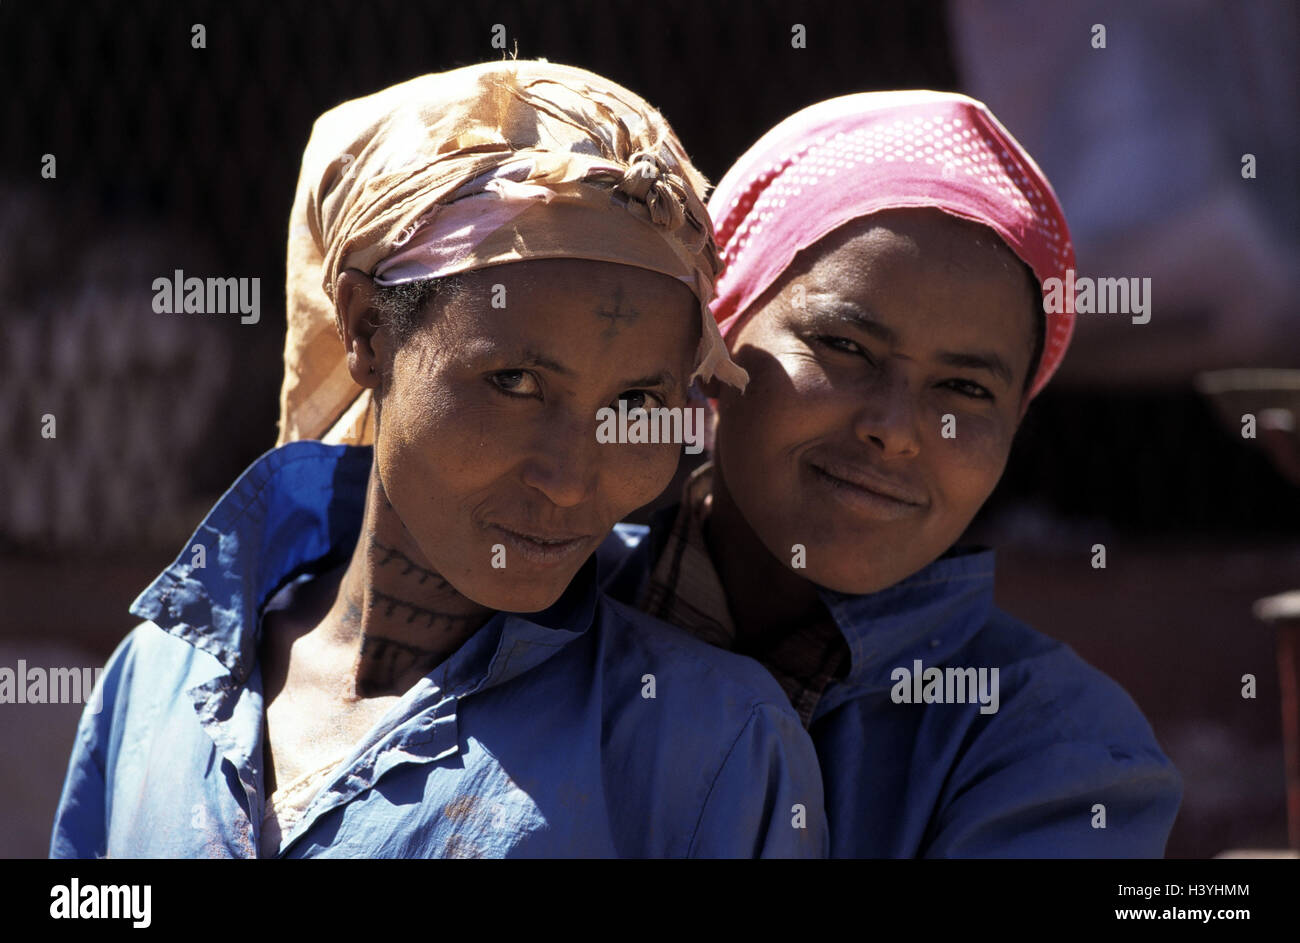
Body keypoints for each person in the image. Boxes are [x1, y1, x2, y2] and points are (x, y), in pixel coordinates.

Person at [49, 61, 826, 858]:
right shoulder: (160, 680)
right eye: (515, 382)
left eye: (634, 408)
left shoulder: (708, 749)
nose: (568, 476)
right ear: (368, 331)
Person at [599, 90, 1182, 856]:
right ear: (715, 344)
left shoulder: (1063, 751)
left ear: (1012, 429)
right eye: (844, 347)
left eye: (966, 389)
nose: (894, 430)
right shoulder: (537, 614)